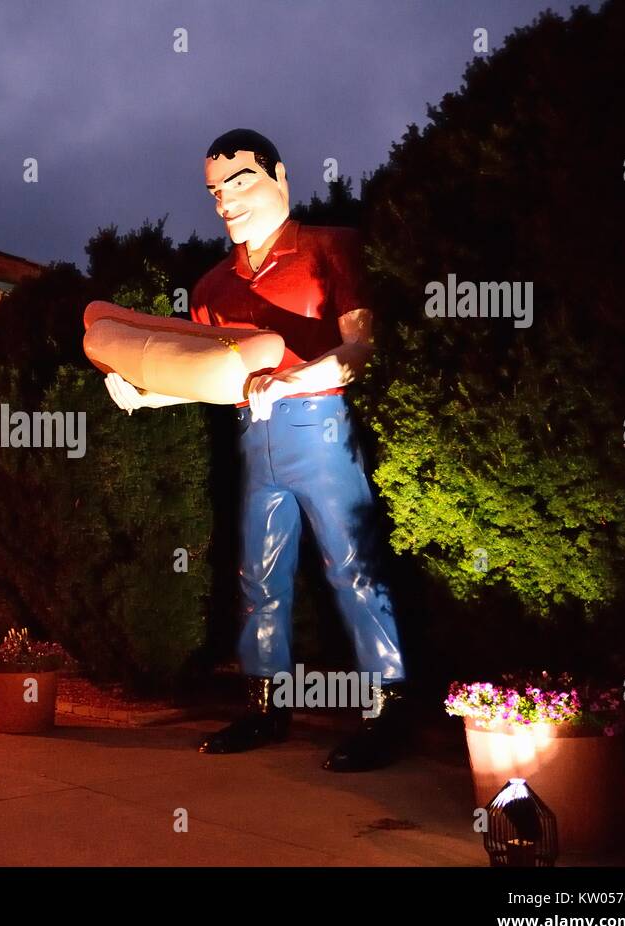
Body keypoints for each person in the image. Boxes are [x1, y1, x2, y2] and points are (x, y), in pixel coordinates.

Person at [103, 128, 407, 771]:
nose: (226, 201)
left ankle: (388, 709)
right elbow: (208, 382)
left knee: (352, 566)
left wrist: (291, 377)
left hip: (320, 426)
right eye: (216, 191)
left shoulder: (331, 247)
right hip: (254, 435)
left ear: (280, 177)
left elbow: (361, 350)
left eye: (240, 182)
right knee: (258, 576)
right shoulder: (212, 286)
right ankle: (266, 706)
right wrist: (146, 395)